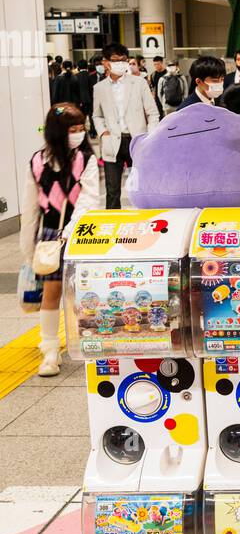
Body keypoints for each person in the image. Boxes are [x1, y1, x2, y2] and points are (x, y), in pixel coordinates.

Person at [19, 102, 100, 376]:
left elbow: (90, 200)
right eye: (72, 129)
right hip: (51, 238)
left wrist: (71, 231)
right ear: (57, 132)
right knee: (51, 294)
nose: (78, 134)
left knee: (86, 292)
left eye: (81, 128)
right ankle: (50, 351)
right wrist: (28, 250)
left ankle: (92, 342)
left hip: (82, 235)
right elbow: (30, 210)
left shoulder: (86, 158)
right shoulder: (37, 162)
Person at [92, 42, 159, 207]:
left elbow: (152, 113)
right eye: (115, 60)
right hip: (112, 141)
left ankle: (147, 223)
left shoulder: (139, 83)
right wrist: (103, 132)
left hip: (137, 141)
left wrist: (150, 135)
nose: (120, 63)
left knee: (142, 187)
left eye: (123, 60)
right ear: (105, 62)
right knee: (112, 190)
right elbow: (97, 115)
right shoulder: (99, 88)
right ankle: (113, 227)